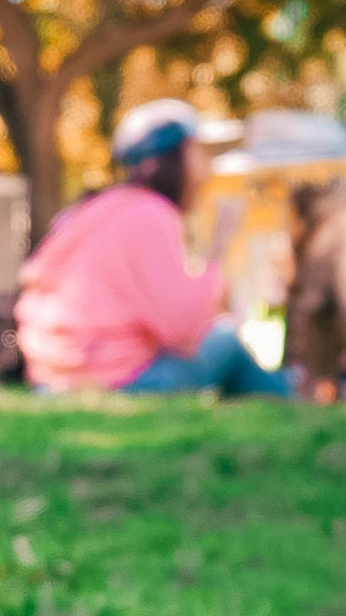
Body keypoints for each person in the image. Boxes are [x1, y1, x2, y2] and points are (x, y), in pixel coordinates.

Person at [15, 97, 287, 397]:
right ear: (174, 156)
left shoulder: (92, 209)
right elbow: (185, 329)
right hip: (115, 381)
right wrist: (217, 249)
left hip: (51, 380)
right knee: (227, 342)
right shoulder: (150, 214)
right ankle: (299, 411)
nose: (208, 168)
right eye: (200, 152)